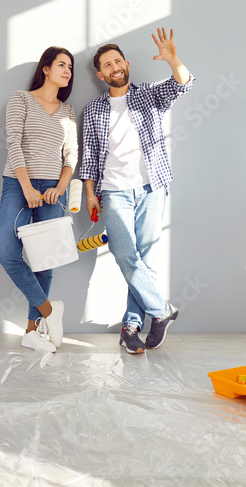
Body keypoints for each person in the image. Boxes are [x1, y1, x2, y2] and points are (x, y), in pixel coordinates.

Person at [80, 27, 194, 354]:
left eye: (118, 61)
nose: (115, 67)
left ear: (127, 64)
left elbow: (182, 84)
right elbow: (89, 156)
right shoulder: (94, 110)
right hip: (114, 190)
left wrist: (173, 60)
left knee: (147, 258)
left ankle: (131, 327)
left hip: (151, 187)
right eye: (107, 65)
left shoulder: (148, 94)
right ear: (101, 75)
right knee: (124, 254)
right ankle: (161, 311)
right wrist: (90, 193)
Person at [0, 46, 77, 353]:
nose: (67, 71)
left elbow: (71, 155)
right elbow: (13, 142)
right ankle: (49, 310)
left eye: (70, 67)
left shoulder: (68, 111)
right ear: (46, 68)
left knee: (46, 261)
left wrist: (60, 187)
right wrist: (27, 186)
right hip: (18, 184)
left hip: (54, 190)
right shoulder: (21, 99)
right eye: (61, 65)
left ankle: (32, 332)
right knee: (7, 254)